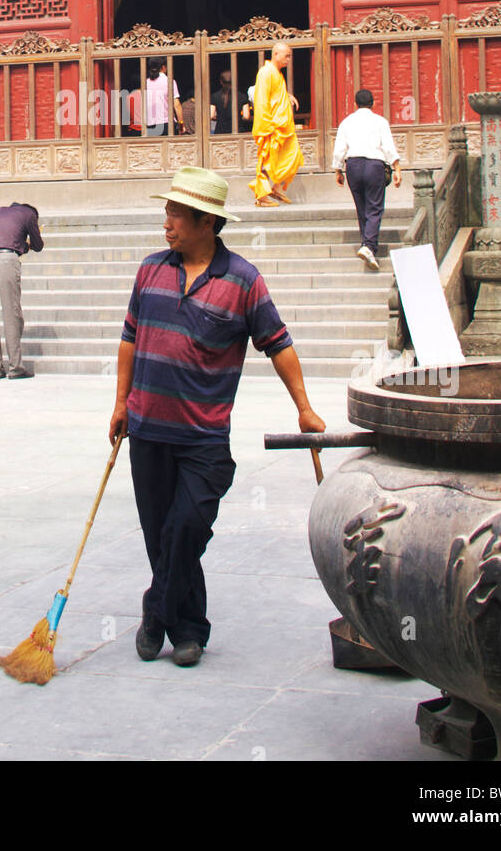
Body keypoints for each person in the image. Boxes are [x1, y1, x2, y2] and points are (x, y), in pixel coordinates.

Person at [110, 166, 325, 668]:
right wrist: (121, 403)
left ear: (206, 221)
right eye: (167, 210)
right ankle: (188, 631)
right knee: (161, 535)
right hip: (147, 429)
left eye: (176, 212)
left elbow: (279, 345)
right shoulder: (150, 270)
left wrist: (304, 407)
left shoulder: (243, 281)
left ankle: (154, 609)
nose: (166, 220)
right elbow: (128, 339)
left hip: (204, 438)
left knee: (186, 528)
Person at [332, 89, 401, 271]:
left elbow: (340, 148)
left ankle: (367, 244)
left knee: (362, 207)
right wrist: (397, 168)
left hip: (353, 165)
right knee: (375, 207)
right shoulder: (380, 122)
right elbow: (388, 146)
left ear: (355, 103)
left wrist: (338, 170)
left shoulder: (347, 122)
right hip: (374, 165)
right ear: (373, 103)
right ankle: (369, 246)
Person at [0, 202, 44, 379]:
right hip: (7, 261)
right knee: (11, 314)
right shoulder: (30, 214)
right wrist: (30, 241)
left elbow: (7, 237)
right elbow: (38, 245)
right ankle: (16, 367)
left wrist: (23, 245)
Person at [249, 43, 303, 206]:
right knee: (267, 160)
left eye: (289, 56)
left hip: (283, 127)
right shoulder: (266, 72)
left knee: (293, 156)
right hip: (272, 126)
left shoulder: (276, 73)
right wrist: (266, 126)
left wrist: (286, 95)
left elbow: (274, 94)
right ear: (276, 54)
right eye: (286, 56)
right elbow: (262, 100)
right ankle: (261, 196)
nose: (288, 59)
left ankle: (277, 188)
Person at [144, 59, 183, 136]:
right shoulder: (169, 81)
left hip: (150, 124)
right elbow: (177, 105)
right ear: (163, 67)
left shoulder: (145, 82)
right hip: (166, 124)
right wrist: (181, 124)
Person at [210, 70, 246, 135]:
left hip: (220, 131)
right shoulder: (242, 96)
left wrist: (220, 118)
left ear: (221, 82)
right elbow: (246, 116)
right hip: (238, 131)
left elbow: (212, 115)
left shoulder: (215, 96)